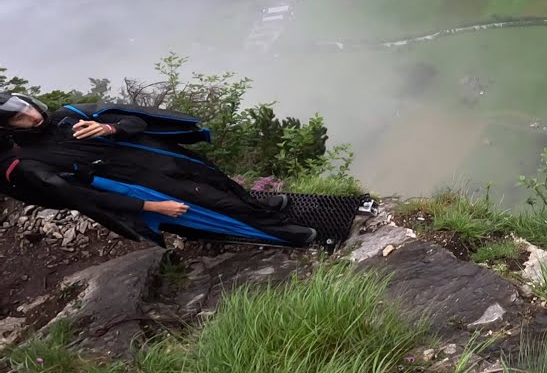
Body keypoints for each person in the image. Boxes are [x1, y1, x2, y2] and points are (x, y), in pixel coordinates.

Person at [0, 93, 317, 247]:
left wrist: (110, 128)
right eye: (19, 117)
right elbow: (86, 198)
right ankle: (286, 234)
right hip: (150, 185)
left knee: (223, 184)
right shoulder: (32, 161)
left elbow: (137, 121)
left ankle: (262, 206)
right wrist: (150, 207)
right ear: (8, 126)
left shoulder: (70, 115)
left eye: (27, 107)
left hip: (170, 158)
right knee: (218, 205)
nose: (31, 115)